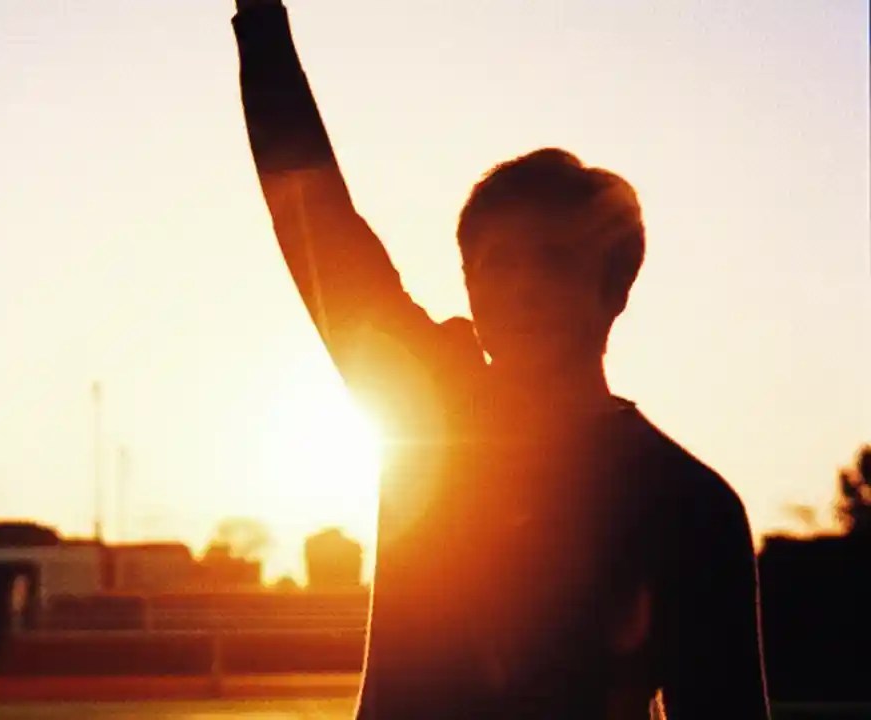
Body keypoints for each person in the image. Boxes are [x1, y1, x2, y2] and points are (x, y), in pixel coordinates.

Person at [230, 2, 771, 718]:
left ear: (613, 289)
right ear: (470, 286)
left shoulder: (691, 506)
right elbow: (313, 212)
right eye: (497, 263)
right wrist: (261, 19)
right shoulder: (428, 408)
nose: (521, 287)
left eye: (554, 261)